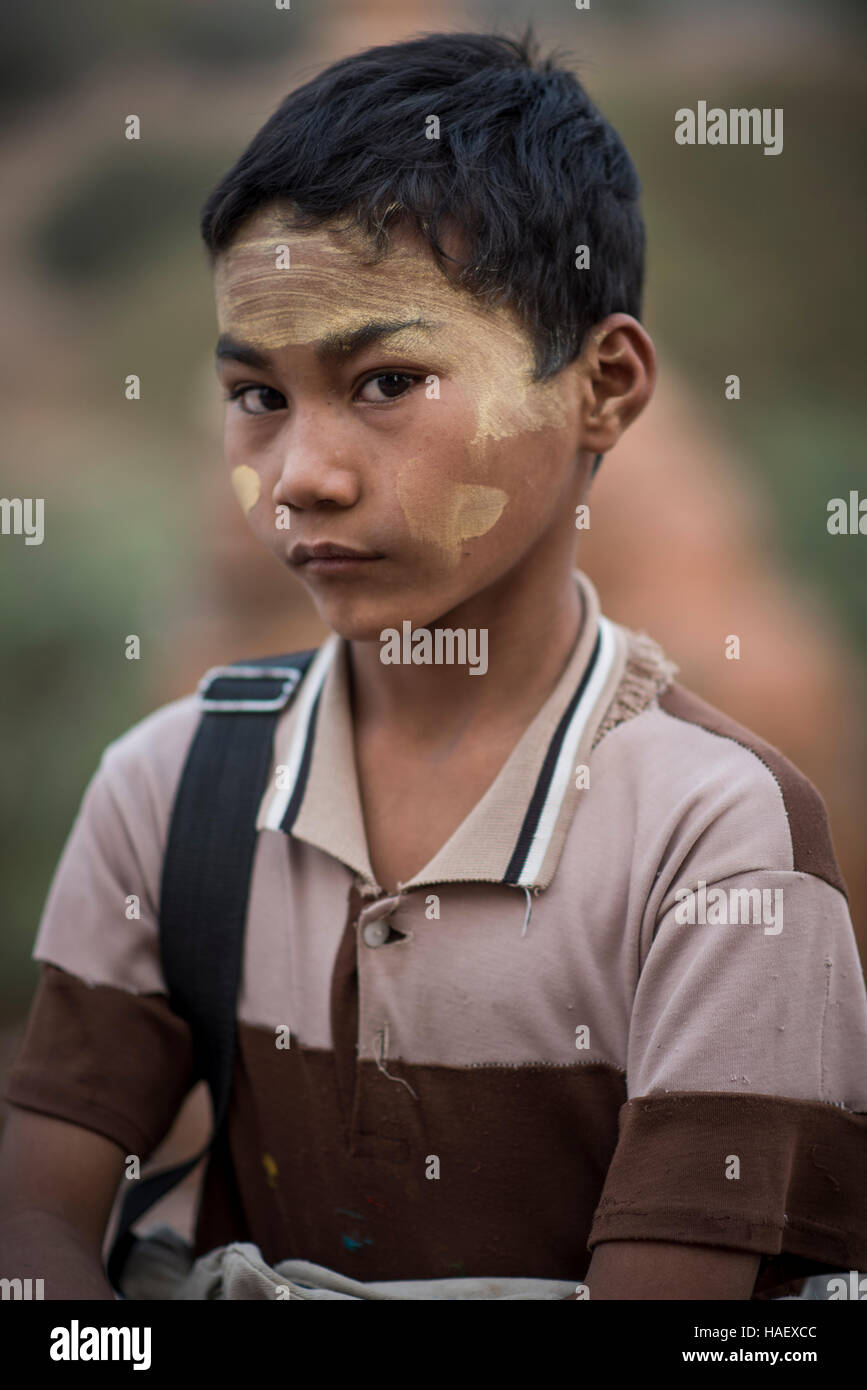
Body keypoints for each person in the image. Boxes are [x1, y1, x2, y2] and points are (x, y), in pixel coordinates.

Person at [1, 27, 865, 1302]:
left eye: (389, 380)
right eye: (257, 396)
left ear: (606, 388)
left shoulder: (719, 842)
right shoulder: (168, 784)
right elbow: (39, 1239)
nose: (302, 476)